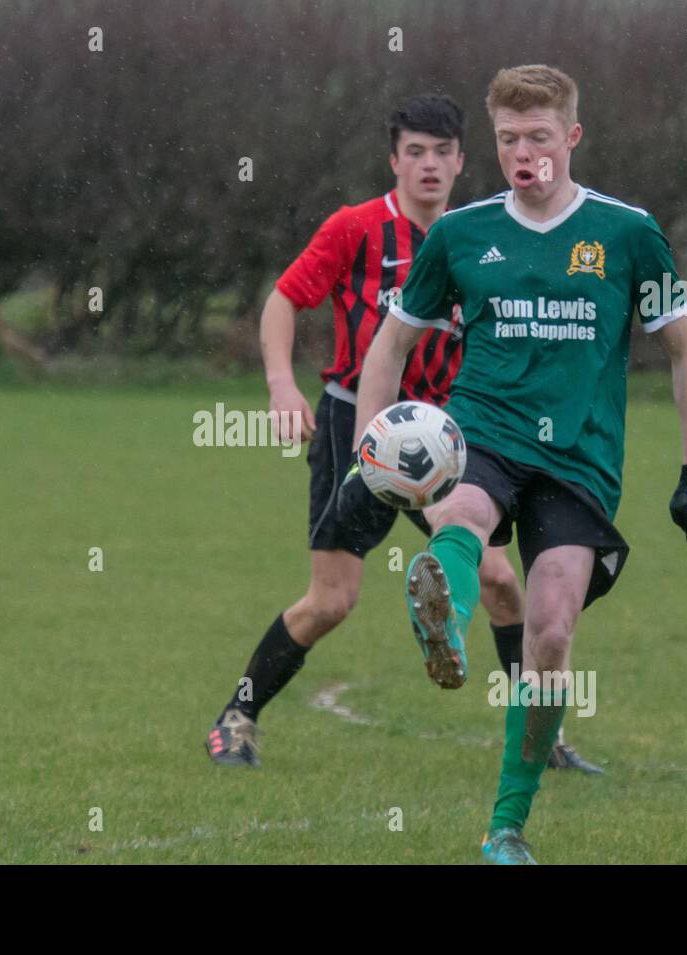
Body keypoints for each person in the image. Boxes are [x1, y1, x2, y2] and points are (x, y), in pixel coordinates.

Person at [347, 65, 687, 863]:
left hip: (580, 459)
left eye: (540, 138)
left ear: (572, 137)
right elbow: (391, 344)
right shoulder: (460, 234)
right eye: (510, 139)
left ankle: (506, 827)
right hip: (482, 431)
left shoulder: (627, 233)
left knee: (551, 631)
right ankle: (444, 616)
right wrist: (365, 453)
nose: (525, 153)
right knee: (460, 514)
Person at [206, 93, 601, 774]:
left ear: (461, 161)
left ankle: (539, 736)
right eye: (414, 151)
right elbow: (284, 299)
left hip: (447, 434)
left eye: (443, 152)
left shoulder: (481, 237)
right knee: (333, 600)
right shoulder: (355, 229)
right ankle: (236, 716)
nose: (429, 164)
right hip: (352, 423)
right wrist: (279, 382)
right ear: (394, 160)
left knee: (501, 578)